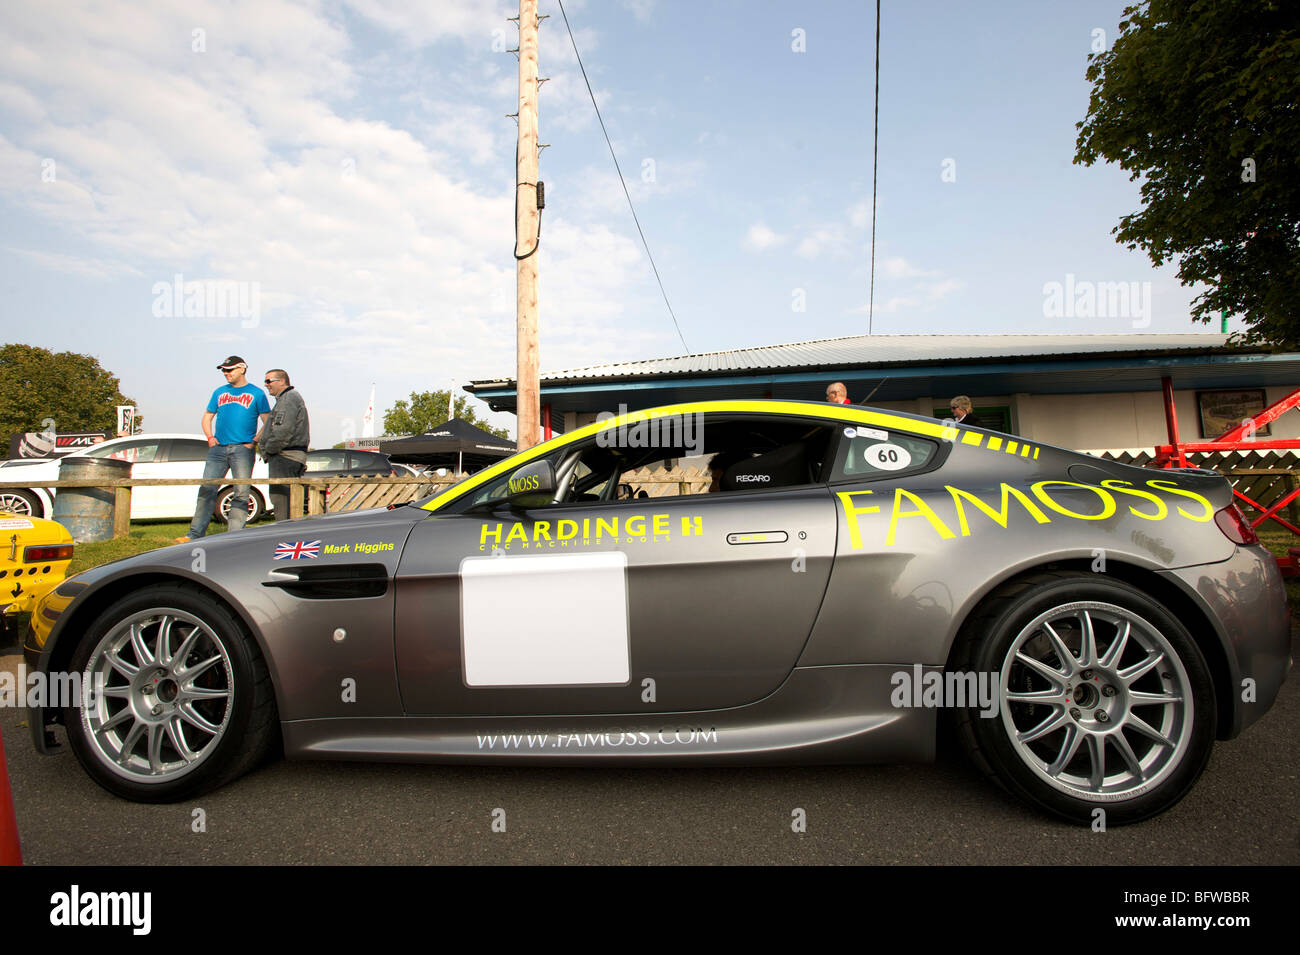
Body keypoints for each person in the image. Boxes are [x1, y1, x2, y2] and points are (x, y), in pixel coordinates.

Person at [176, 356, 270, 542]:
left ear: (242, 369)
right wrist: (210, 438)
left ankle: (234, 537)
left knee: (241, 493)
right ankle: (194, 534)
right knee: (206, 490)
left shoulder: (257, 393)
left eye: (230, 370)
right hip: (218, 450)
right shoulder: (219, 392)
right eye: (224, 370)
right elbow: (207, 417)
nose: (226, 373)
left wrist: (254, 441)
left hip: (243, 450)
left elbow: (267, 421)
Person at [258, 368, 311, 522]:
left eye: (268, 381)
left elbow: (282, 432)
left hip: (284, 457)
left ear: (281, 381)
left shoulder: (288, 399)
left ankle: (284, 536)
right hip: (287, 457)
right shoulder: (286, 399)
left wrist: (269, 450)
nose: (266, 384)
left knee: (281, 503)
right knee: (288, 502)